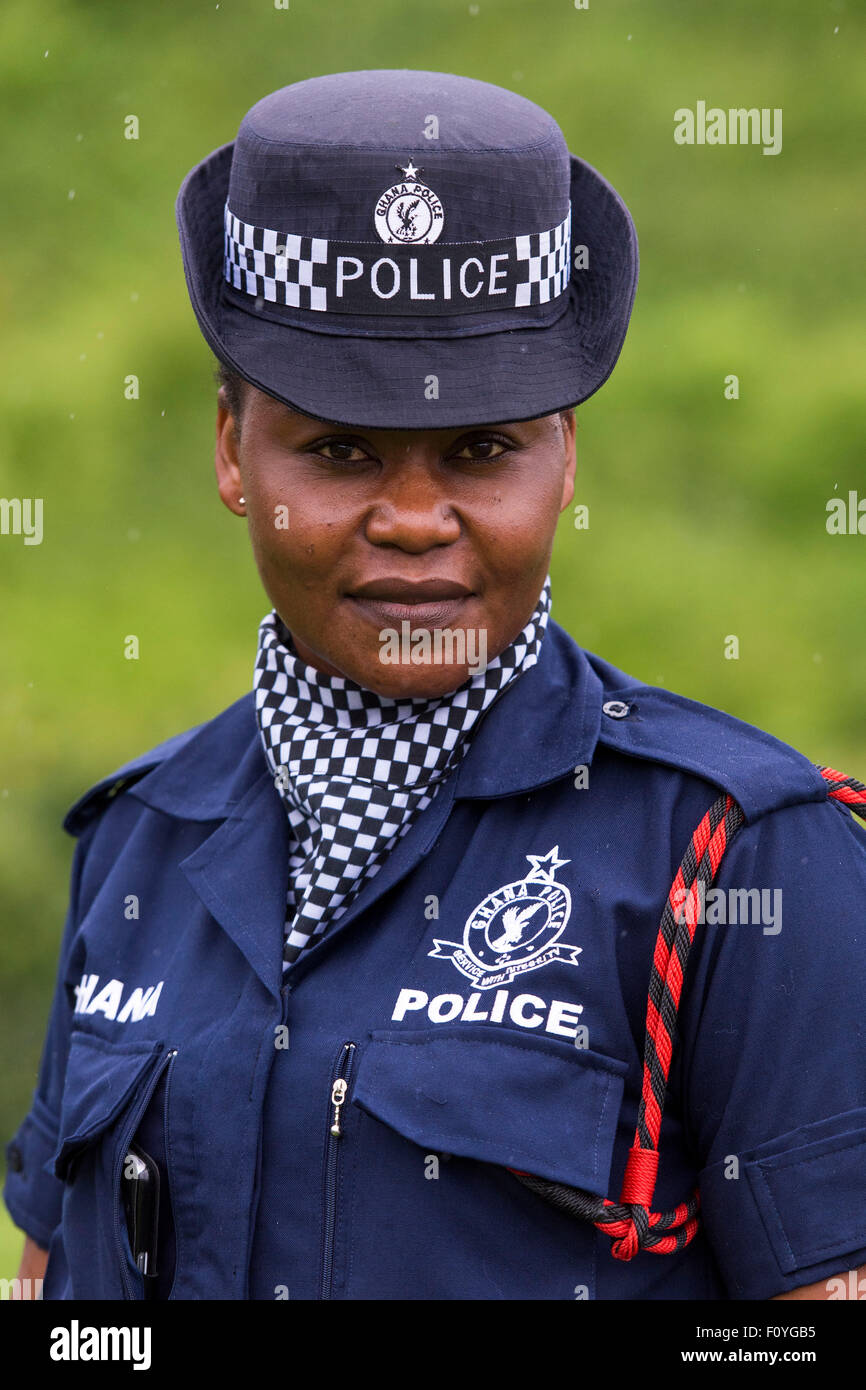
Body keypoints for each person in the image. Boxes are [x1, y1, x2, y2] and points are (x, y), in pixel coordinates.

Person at [6, 69, 866, 1302]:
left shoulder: (740, 858)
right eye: (338, 450)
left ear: (564, 458)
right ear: (231, 452)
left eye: (481, 449)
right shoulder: (139, 839)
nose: (414, 520)